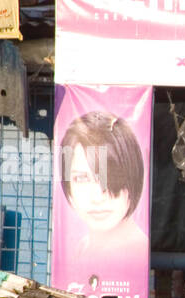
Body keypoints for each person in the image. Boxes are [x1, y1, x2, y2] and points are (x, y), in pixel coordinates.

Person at [58, 110, 148, 271]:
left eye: (111, 177)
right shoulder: (80, 249)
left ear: (134, 175)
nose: (97, 196)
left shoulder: (138, 254)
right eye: (82, 178)